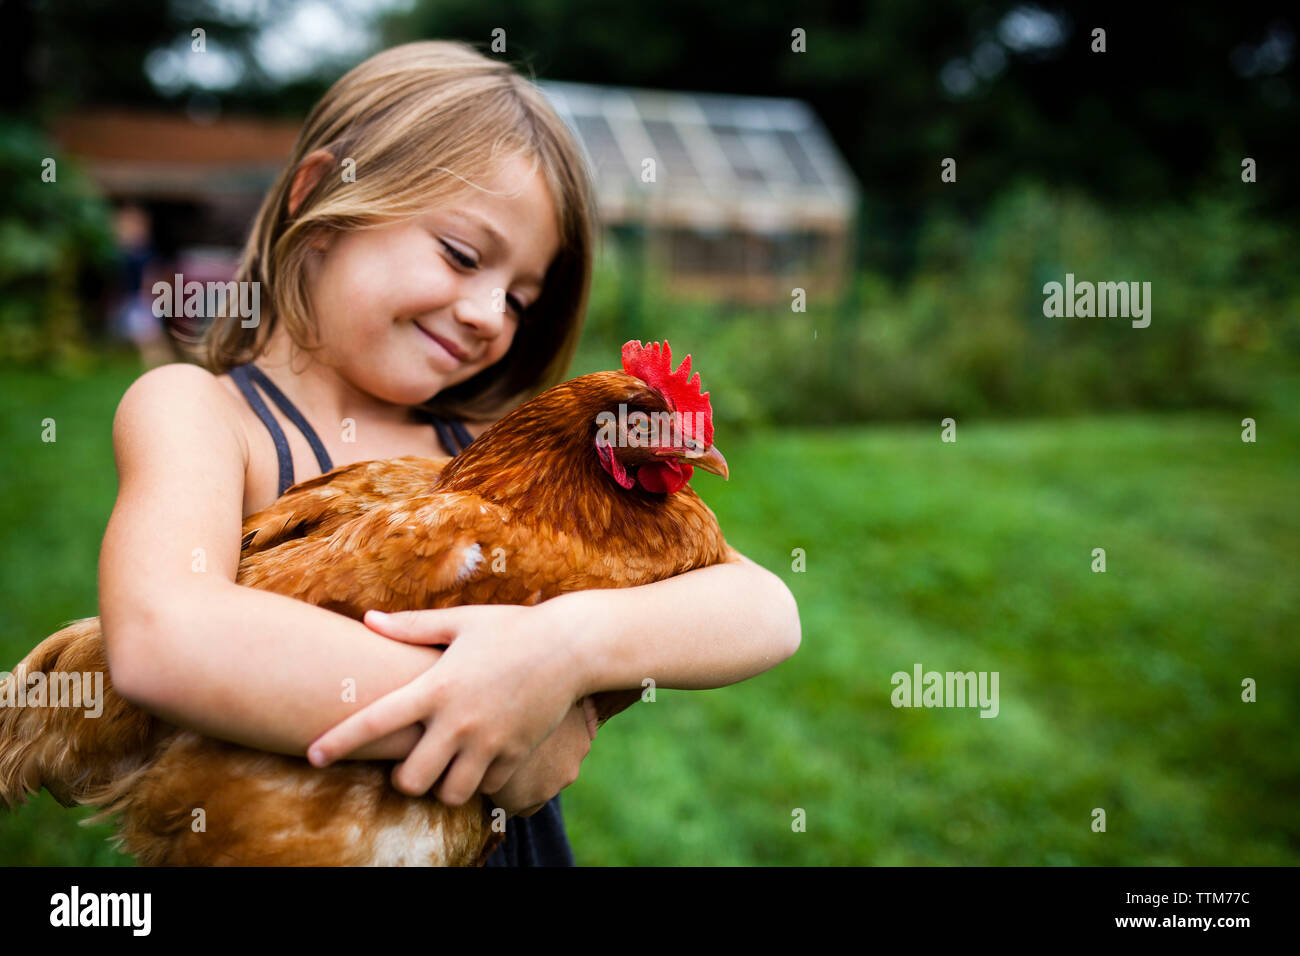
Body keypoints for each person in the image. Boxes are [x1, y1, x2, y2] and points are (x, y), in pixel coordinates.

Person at [97, 41, 801, 866]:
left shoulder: (484, 453)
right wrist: (502, 716)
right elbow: (158, 636)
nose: (487, 312)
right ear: (320, 197)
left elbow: (764, 610)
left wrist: (567, 649)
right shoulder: (207, 416)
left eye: (520, 297)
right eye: (463, 256)